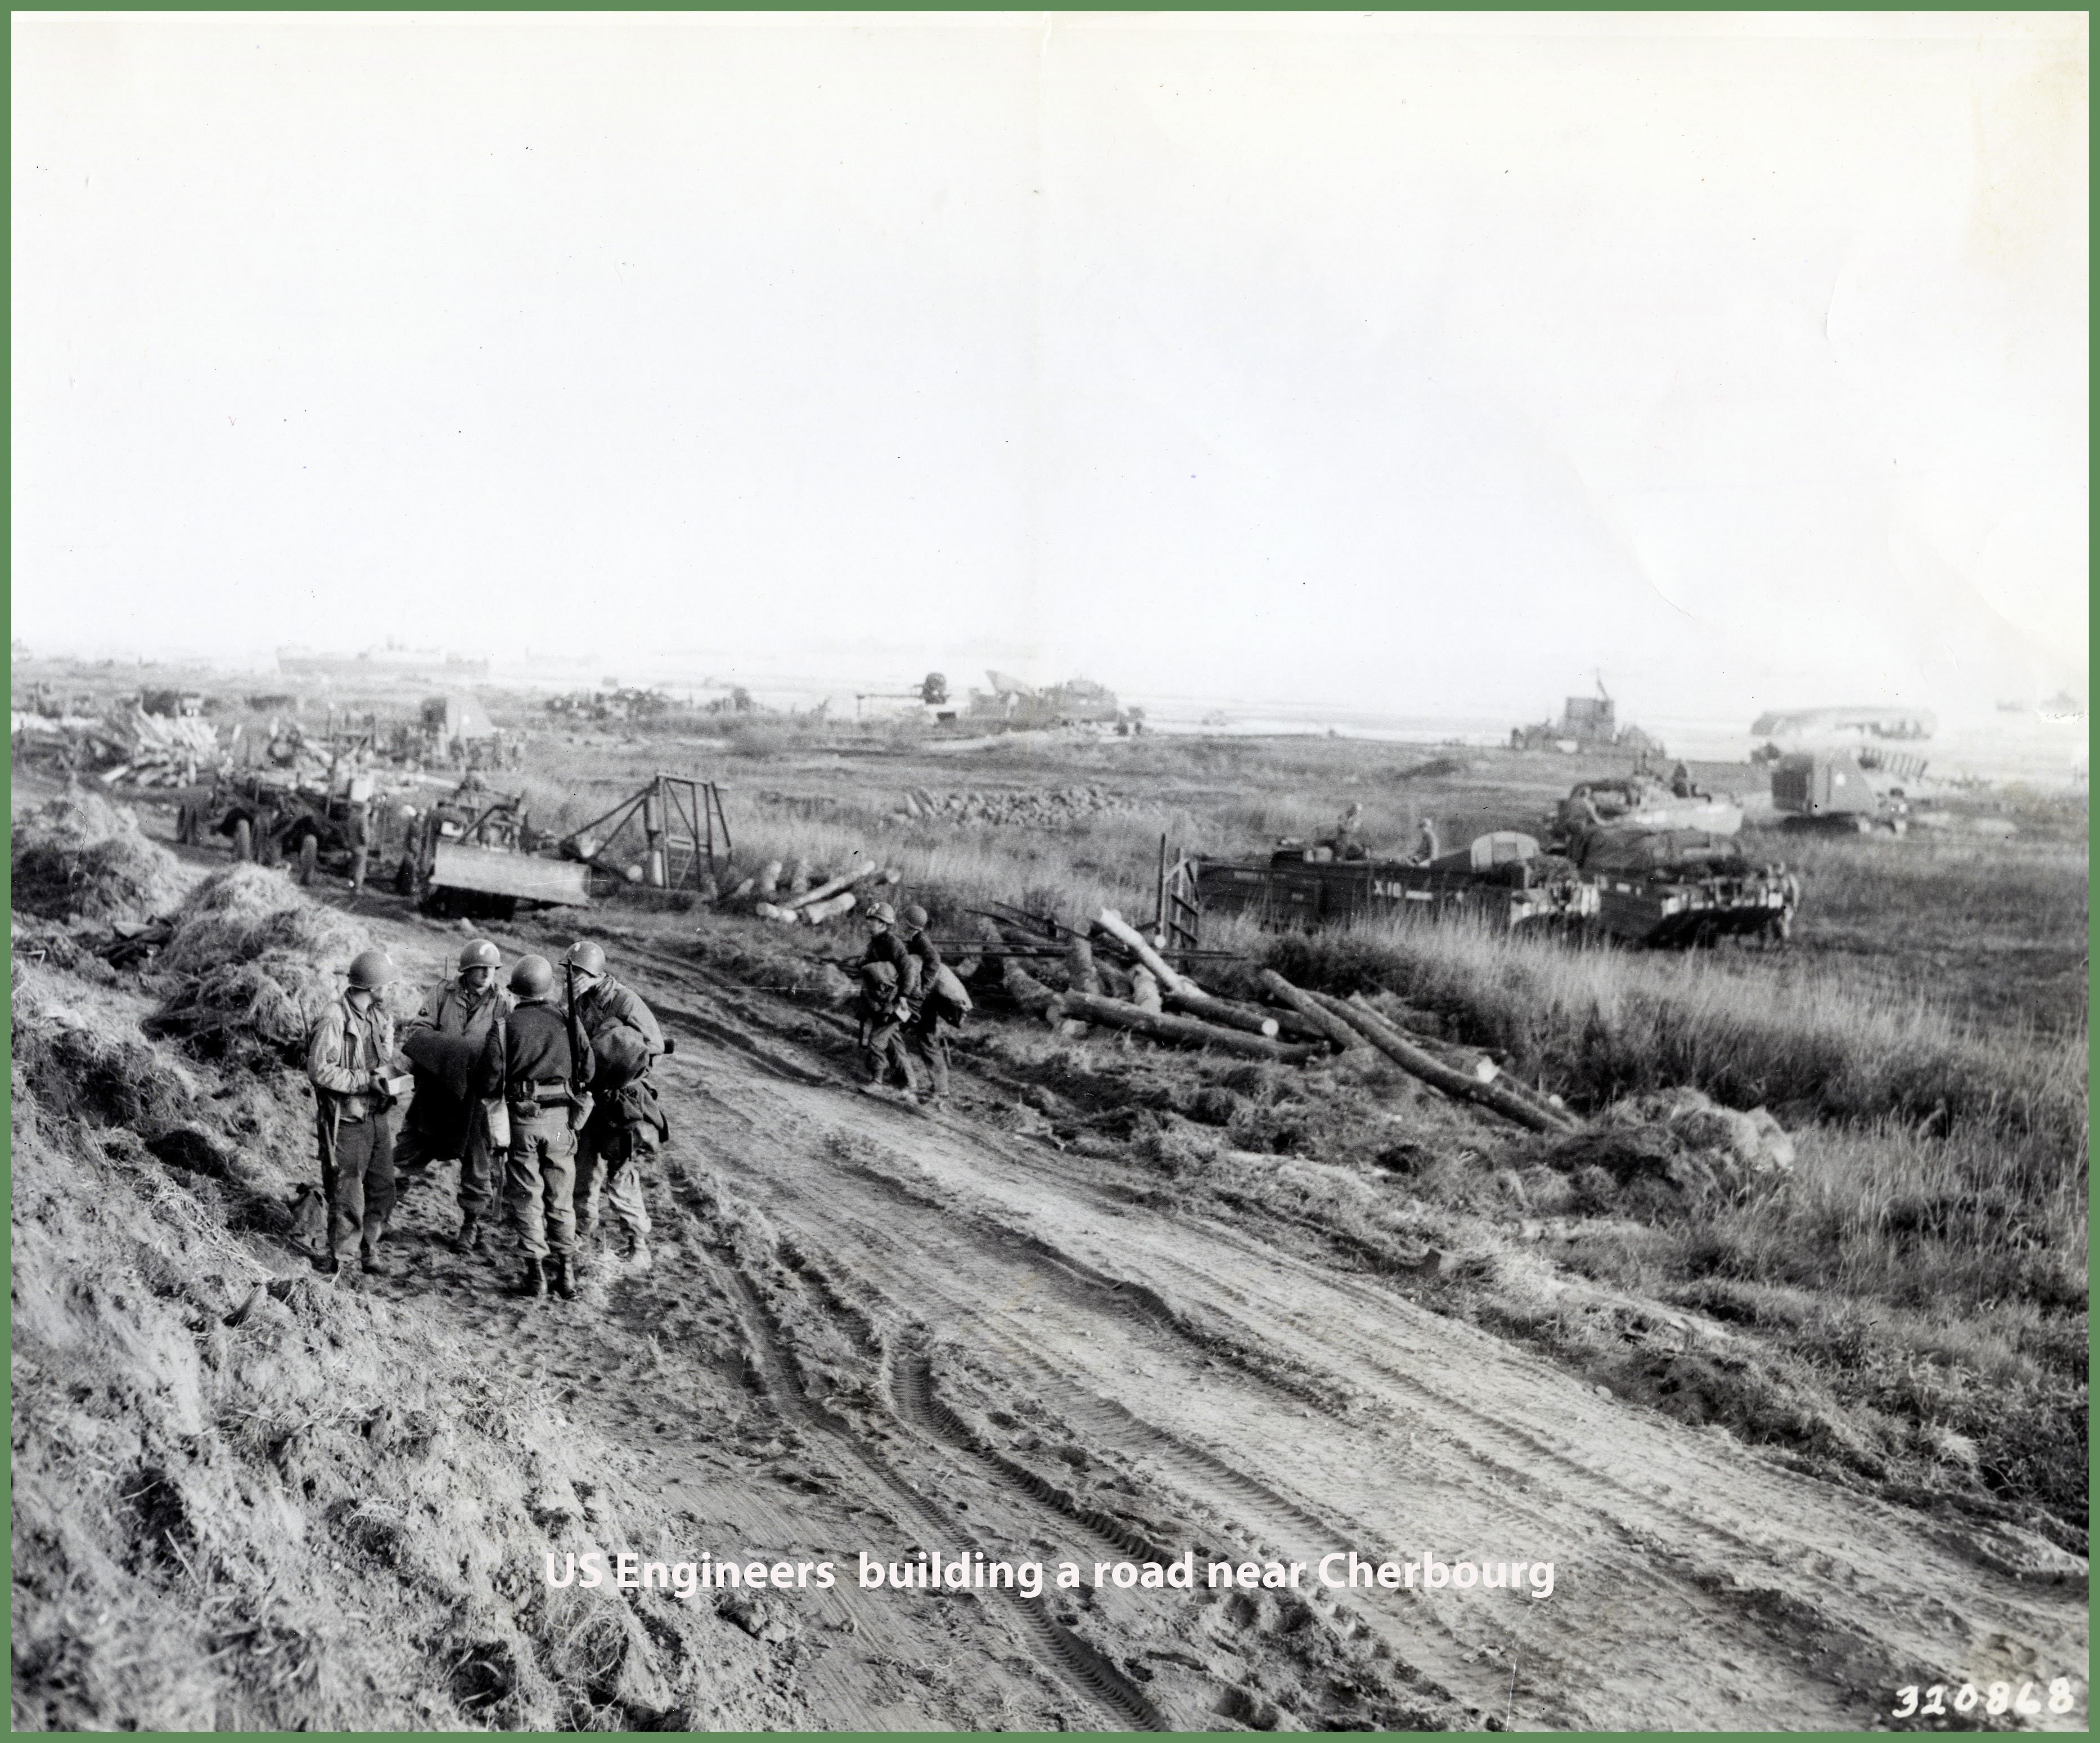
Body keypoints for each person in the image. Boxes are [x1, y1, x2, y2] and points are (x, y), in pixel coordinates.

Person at [476, 954, 594, 1301]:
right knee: (561, 1195)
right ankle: (567, 1274)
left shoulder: (503, 1027)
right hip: (560, 1126)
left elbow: (489, 1082)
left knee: (527, 1194)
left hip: (523, 1124)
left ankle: (536, 1276)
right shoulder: (568, 1021)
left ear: (515, 991)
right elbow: (588, 1072)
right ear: (548, 988)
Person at [396, 939, 515, 1254]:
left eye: (491, 968)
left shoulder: (504, 1003)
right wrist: (451, 1052)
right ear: (466, 970)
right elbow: (419, 1032)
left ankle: (470, 1226)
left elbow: (509, 1049)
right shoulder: (442, 993)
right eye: (480, 968)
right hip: (435, 1090)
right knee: (406, 1152)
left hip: (477, 1098)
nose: (487, 974)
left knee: (478, 1167)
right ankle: (380, 1212)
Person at [305, 948, 408, 1278]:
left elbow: (384, 1059)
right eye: (387, 984)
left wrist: (391, 1078)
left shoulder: (379, 1017)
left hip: (377, 1117)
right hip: (346, 1119)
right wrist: (366, 1082)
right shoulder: (335, 1017)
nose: (390, 990)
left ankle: (369, 1248)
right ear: (373, 986)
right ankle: (341, 1259)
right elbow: (320, 1071)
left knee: (382, 1188)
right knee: (348, 1193)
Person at [563, 940, 666, 1265]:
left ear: (597, 973)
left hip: (619, 1099)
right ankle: (581, 1234)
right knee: (582, 1170)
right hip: (586, 1098)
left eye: (580, 972)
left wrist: (614, 1048)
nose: (574, 978)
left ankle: (638, 1245)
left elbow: (655, 1045)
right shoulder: (573, 1001)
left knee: (621, 1172)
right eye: (569, 972)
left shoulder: (624, 1000)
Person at [895, 906, 959, 1103]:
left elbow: (934, 962)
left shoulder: (922, 943)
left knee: (891, 1029)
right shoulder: (915, 940)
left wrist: (922, 990)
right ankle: (941, 1089)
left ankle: (907, 1082)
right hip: (923, 1003)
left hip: (921, 1003)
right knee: (927, 1041)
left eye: (904, 922)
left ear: (909, 925)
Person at [857, 960, 918, 1099]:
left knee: (876, 1042)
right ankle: (910, 1083)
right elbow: (873, 1005)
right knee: (895, 1043)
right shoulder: (873, 977)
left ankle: (877, 1082)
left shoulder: (888, 978)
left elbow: (886, 1003)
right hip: (896, 1008)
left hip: (899, 1008)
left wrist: (885, 1014)